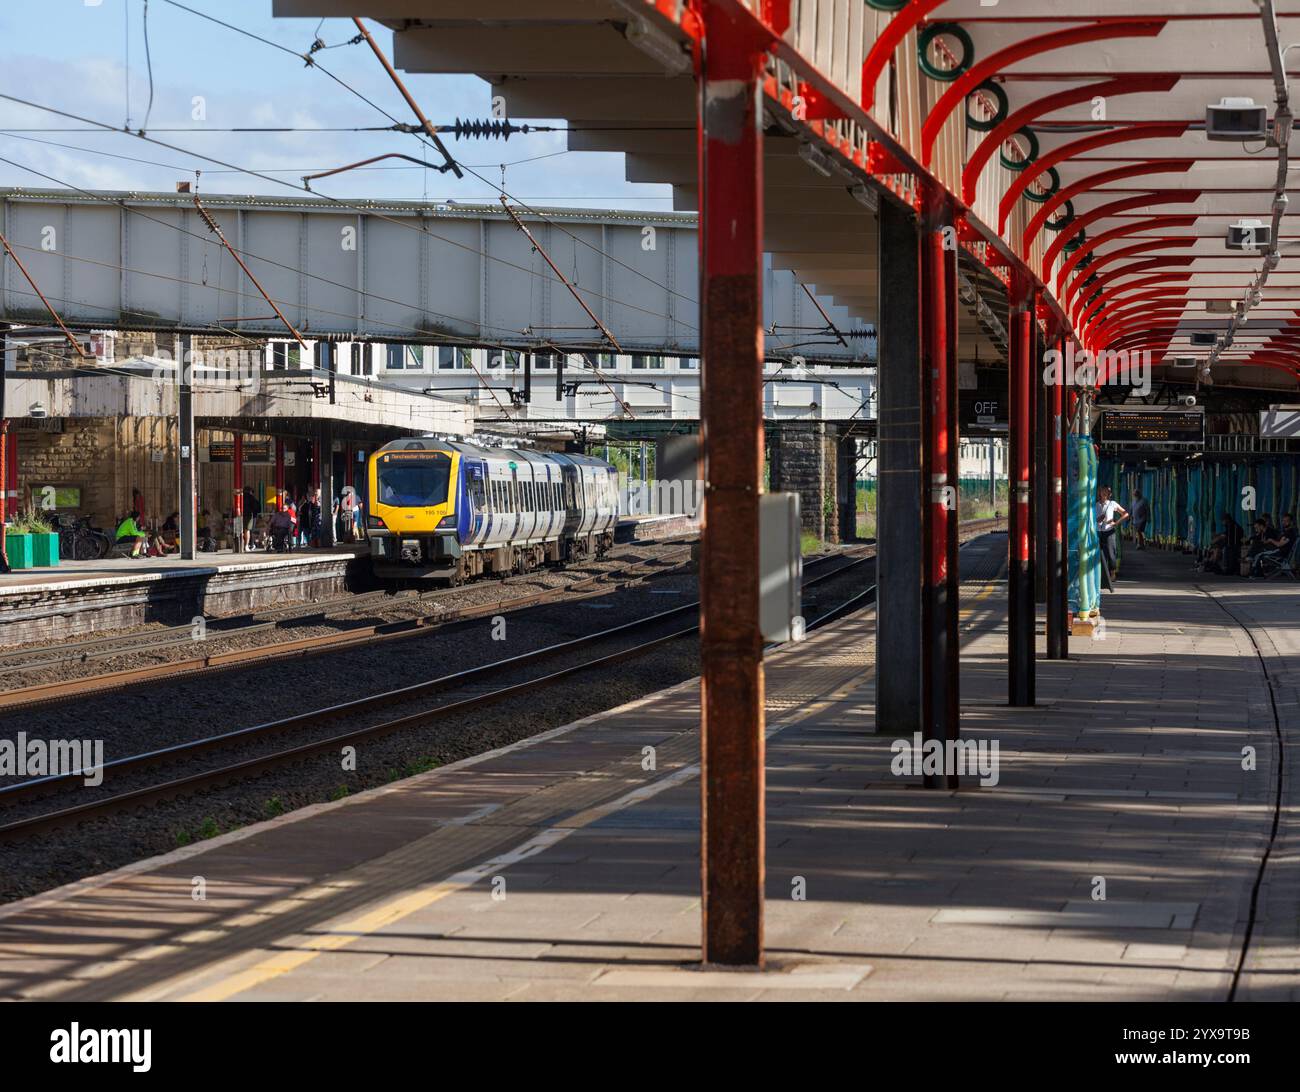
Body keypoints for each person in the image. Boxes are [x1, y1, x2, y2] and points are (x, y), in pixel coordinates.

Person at [1097, 484, 1129, 581]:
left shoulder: (1112, 504)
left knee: (1111, 554)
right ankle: (1100, 575)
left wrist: (1116, 523)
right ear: (1100, 493)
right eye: (1103, 491)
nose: (1105, 493)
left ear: (1110, 494)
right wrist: (1098, 519)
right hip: (1098, 532)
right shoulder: (1095, 504)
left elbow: (1125, 513)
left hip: (1109, 531)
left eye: (1107, 491)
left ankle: (1112, 574)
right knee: (1098, 555)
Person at [1252, 512, 1297, 576]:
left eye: (1286, 521)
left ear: (1291, 522)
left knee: (1259, 555)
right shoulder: (1287, 532)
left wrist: (1270, 540)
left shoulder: (1290, 533)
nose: (1284, 522)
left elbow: (1279, 544)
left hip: (1280, 553)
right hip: (1278, 551)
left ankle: (1253, 573)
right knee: (1260, 550)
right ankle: (1258, 571)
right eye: (1283, 520)